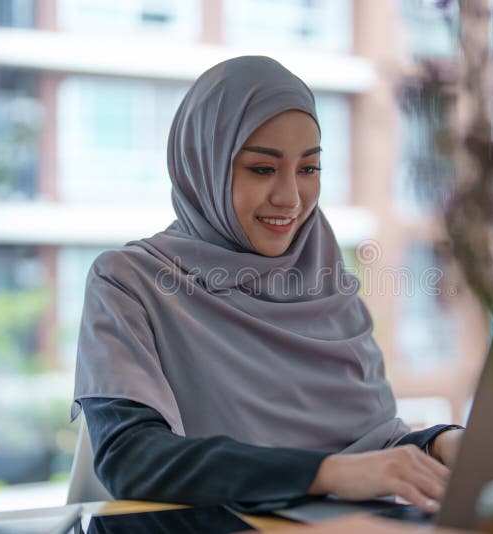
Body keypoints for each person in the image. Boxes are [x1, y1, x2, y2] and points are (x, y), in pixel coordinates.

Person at [71, 56, 464, 514]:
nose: (290, 198)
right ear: (203, 166)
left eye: (308, 169)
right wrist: (326, 473)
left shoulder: (323, 280)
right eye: (262, 169)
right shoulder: (129, 282)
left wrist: (439, 443)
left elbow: (367, 448)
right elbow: (131, 459)